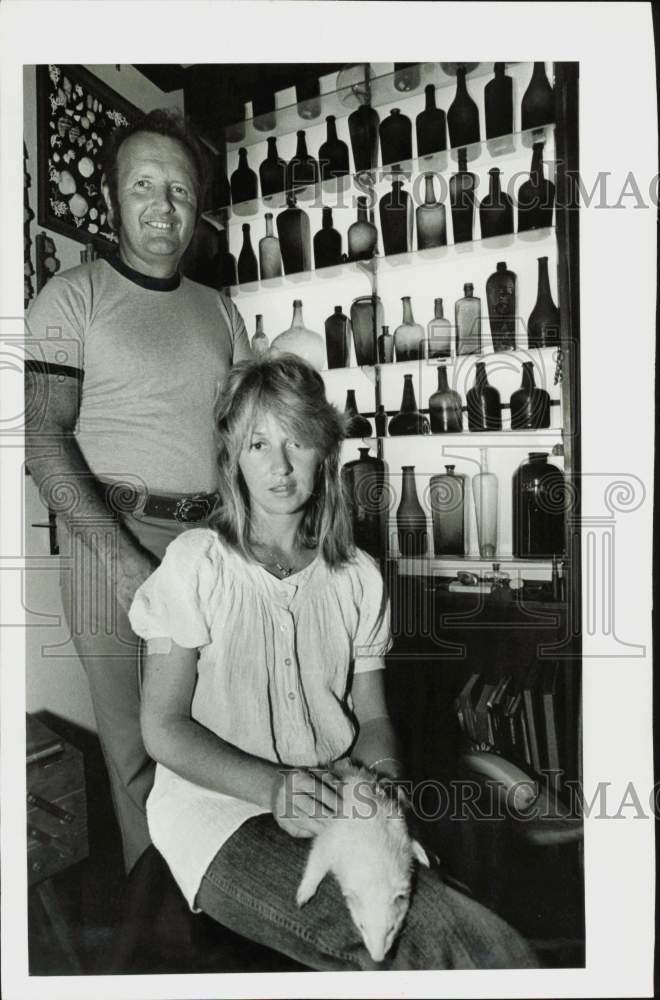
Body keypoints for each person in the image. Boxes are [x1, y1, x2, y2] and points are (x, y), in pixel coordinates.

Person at [127, 354, 539, 971]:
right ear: (232, 459)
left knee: (459, 913)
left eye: (298, 440)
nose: (281, 465)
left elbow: (370, 720)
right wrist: (274, 788)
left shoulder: (358, 576)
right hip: (217, 812)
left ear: (326, 452)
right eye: (258, 443)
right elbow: (162, 727)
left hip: (339, 795)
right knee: (434, 939)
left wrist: (387, 789)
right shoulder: (195, 565)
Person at [24, 109, 252, 873]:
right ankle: (162, 937)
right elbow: (42, 440)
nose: (164, 205)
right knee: (135, 755)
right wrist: (125, 564)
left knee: (224, 739)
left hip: (210, 544)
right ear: (114, 202)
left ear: (198, 208)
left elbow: (248, 440)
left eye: (181, 189)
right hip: (105, 546)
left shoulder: (220, 310)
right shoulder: (71, 295)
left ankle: (231, 905)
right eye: (145, 186)